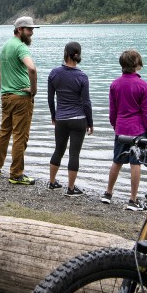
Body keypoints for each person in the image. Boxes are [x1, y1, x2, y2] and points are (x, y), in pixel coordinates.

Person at [101, 49, 147, 210]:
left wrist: (115, 125)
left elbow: (113, 110)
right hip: (138, 130)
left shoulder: (115, 84)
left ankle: (108, 193)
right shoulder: (143, 85)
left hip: (121, 129)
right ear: (137, 65)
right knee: (135, 163)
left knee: (117, 161)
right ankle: (132, 199)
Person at [0, 16, 39, 185]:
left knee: (4, 132)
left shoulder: (6, 46)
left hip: (7, 97)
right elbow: (32, 68)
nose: (31, 33)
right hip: (21, 98)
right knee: (20, 136)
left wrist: (3, 87)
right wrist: (34, 90)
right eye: (28, 29)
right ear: (19, 30)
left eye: (32, 29)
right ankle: (16, 174)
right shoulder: (20, 47)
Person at [46, 41, 93, 196]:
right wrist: (90, 122)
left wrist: (54, 115)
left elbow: (50, 98)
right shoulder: (82, 76)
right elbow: (86, 102)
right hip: (79, 119)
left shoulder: (54, 73)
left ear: (65, 53)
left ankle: (52, 182)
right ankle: (71, 188)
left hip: (61, 118)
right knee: (74, 154)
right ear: (78, 55)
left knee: (58, 150)